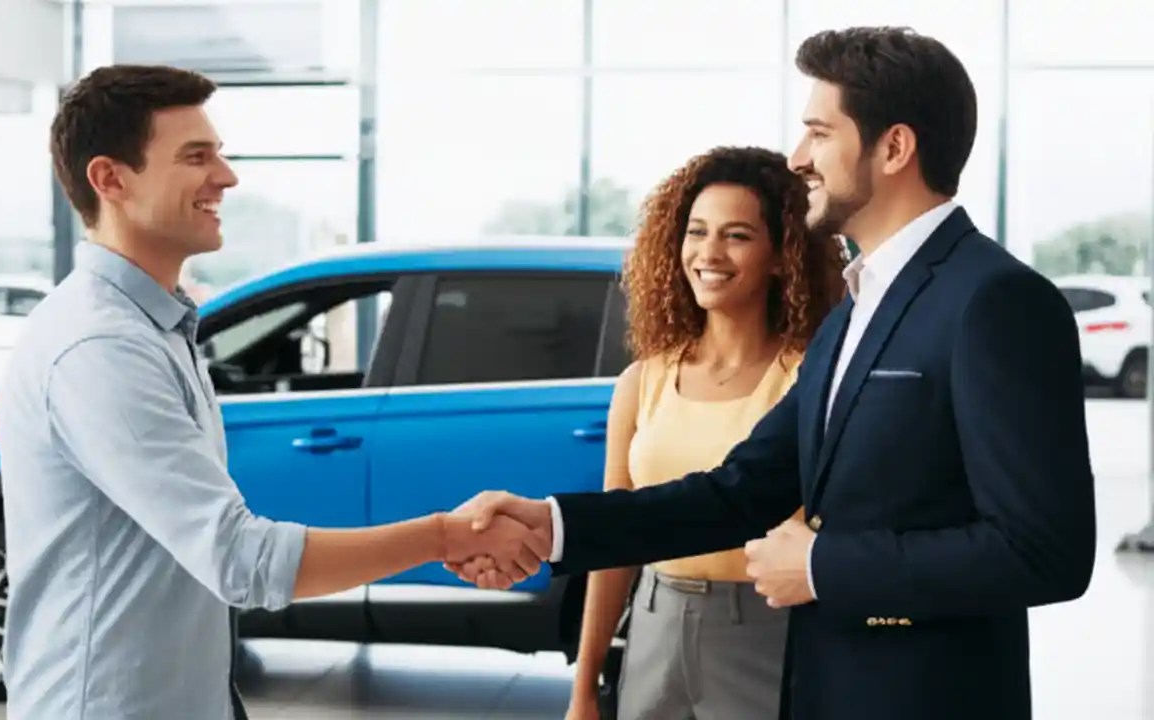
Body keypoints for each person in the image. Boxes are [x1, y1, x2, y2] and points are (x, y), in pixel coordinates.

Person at [450, 26, 1096, 720]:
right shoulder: (853, 314)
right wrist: (551, 526)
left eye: (819, 133)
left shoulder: (995, 300)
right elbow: (739, 492)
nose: (798, 159)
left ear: (895, 147)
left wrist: (823, 566)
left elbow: (1044, 551)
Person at [0, 64, 546, 720]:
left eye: (220, 155)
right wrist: (443, 537)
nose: (225, 177)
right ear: (111, 179)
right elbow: (240, 558)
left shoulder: (154, 326)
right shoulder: (99, 347)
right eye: (196, 157)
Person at [562, 147, 843, 720]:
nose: (709, 253)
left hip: (768, 629)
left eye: (737, 236)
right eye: (697, 232)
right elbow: (617, 536)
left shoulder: (809, 377)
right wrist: (584, 685)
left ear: (782, 257)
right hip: (653, 621)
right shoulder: (643, 381)